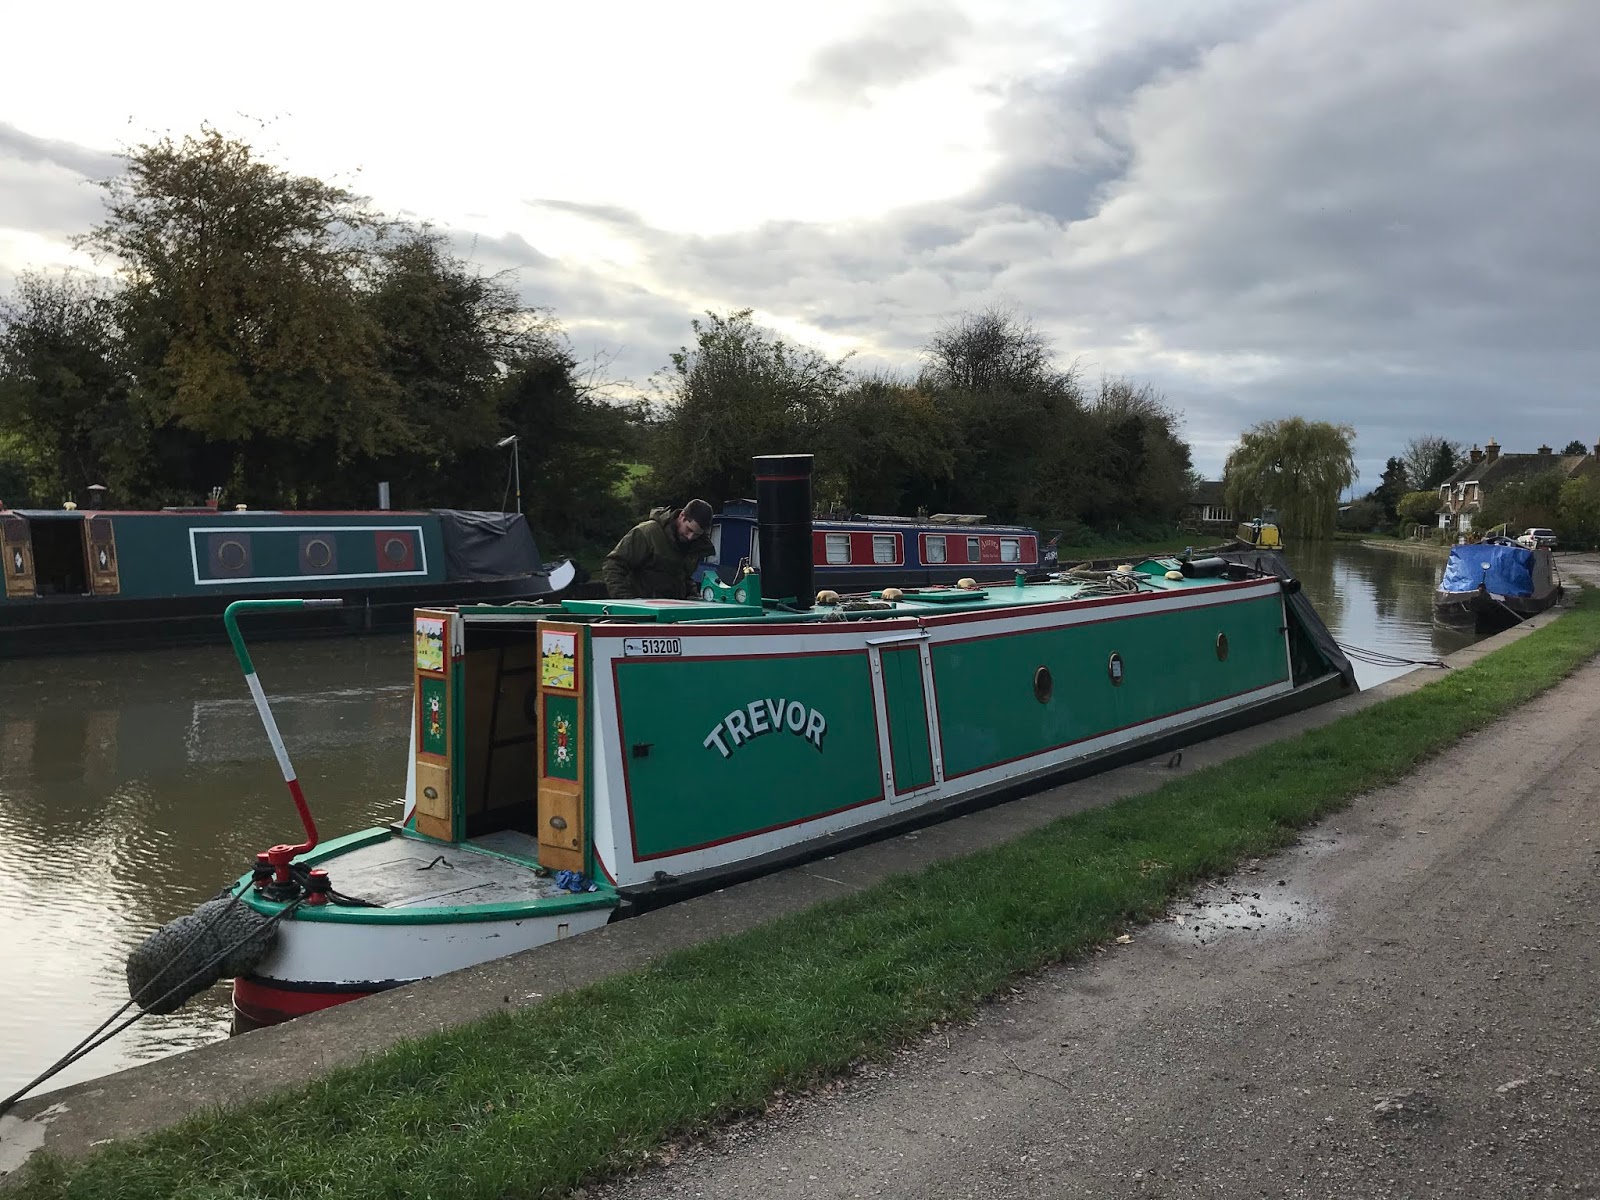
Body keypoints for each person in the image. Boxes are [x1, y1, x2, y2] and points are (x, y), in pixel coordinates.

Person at [602, 499, 716, 599]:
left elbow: (683, 576)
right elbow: (613, 565)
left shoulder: (695, 546)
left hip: (674, 613)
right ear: (682, 516)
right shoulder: (647, 533)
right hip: (641, 612)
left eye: (696, 535)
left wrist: (692, 596)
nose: (690, 537)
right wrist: (626, 601)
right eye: (689, 529)